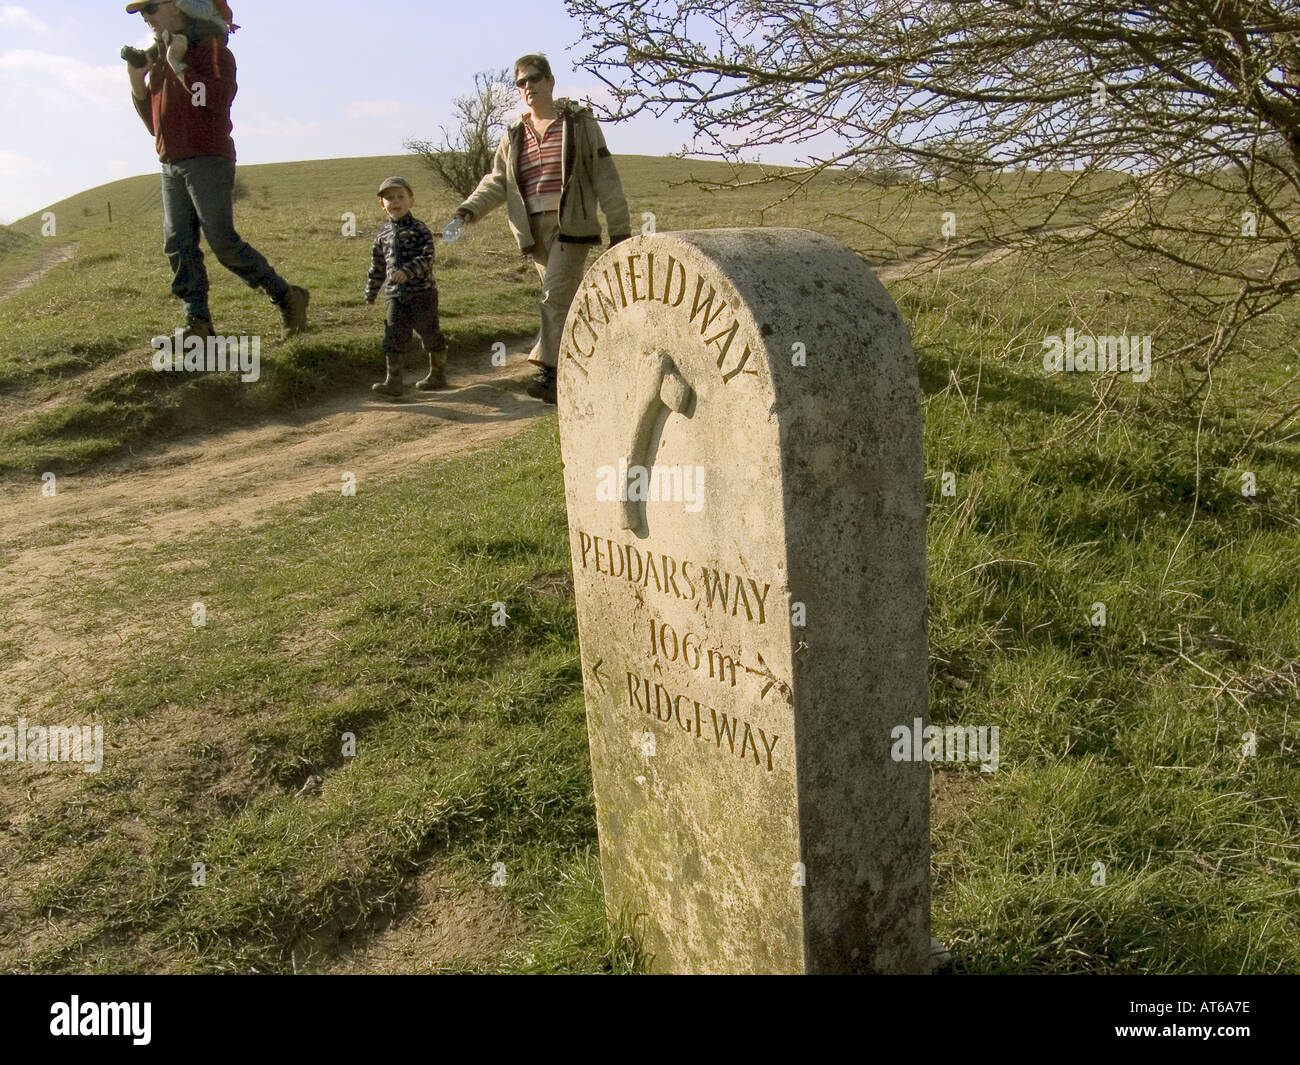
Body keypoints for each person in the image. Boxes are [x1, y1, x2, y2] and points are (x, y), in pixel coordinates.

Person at [123, 1, 308, 347]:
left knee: (222, 241)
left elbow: (216, 100)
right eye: (141, 13)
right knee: (178, 244)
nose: (146, 17)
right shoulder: (161, 54)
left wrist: (179, 65)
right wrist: (137, 82)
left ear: (179, 6)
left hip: (207, 158)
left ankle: (287, 296)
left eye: (150, 7)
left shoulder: (211, 51)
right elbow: (155, 125)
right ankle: (198, 322)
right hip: (170, 161)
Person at [454, 54, 630, 403]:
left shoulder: (578, 125)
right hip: (532, 231)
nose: (528, 87)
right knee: (568, 301)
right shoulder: (514, 135)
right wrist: (468, 210)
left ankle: (550, 373)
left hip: (571, 226)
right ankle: (600, 359)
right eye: (521, 82)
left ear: (550, 82)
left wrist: (620, 229)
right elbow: (498, 181)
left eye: (534, 79)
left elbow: (605, 176)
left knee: (552, 297)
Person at [364, 177, 448, 398]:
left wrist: (409, 270)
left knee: (429, 333)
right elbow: (378, 266)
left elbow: (428, 256)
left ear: (411, 201)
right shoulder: (382, 235)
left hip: (423, 293)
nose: (395, 201)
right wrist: (371, 291)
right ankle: (394, 382)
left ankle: (438, 375)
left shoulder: (420, 228)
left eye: (400, 196)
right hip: (395, 296)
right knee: (393, 336)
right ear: (382, 204)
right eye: (389, 198)